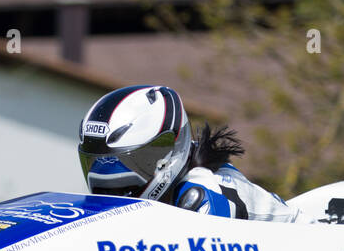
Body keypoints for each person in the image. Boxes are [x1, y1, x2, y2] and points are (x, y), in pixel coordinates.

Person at [77, 85, 294, 221]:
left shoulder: (204, 194)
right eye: (97, 164)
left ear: (165, 154)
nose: (108, 180)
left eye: (124, 163)